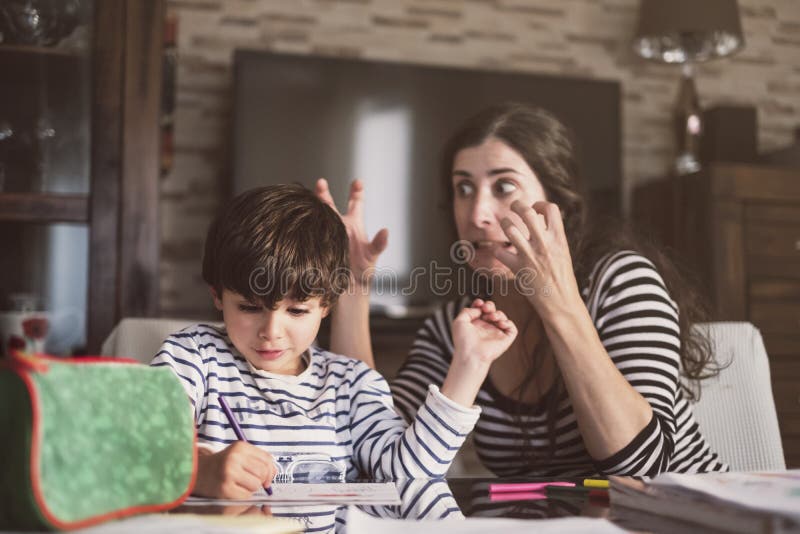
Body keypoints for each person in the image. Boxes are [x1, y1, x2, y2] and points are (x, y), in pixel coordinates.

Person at [318, 102, 728, 477]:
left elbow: (641, 465)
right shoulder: (457, 324)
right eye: (463, 188)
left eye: (504, 187)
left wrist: (554, 299)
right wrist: (352, 286)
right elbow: (371, 449)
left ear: (558, 204)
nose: (477, 214)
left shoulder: (620, 281)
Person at [150, 184, 518, 499]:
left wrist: (471, 365)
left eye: (296, 311)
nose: (271, 331)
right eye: (249, 307)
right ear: (217, 295)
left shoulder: (353, 383)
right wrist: (203, 470)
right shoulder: (192, 356)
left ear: (327, 303)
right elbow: (140, 449)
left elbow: (409, 478)